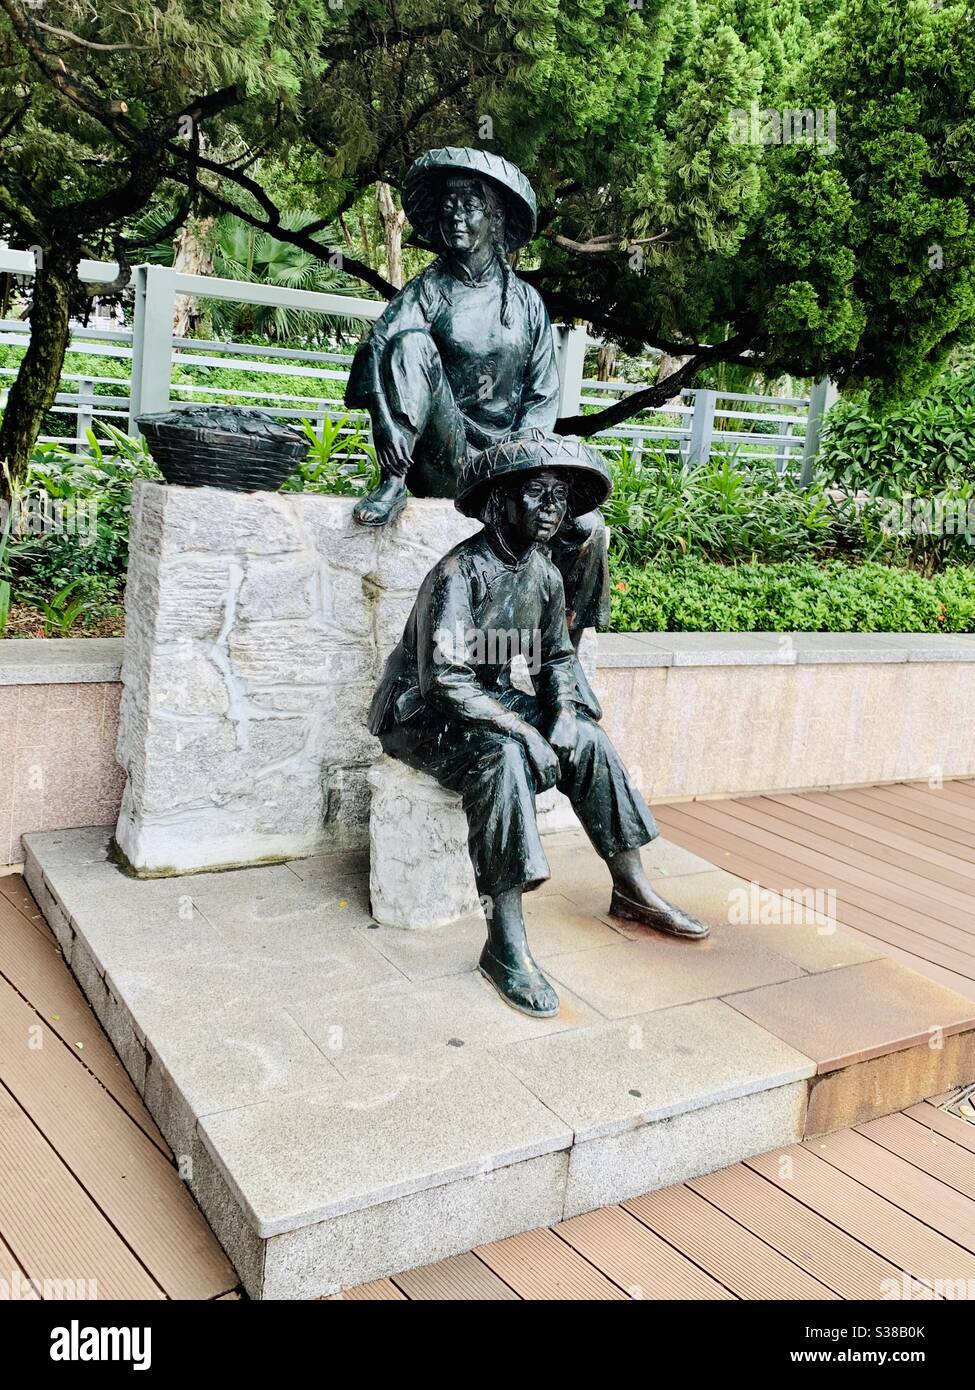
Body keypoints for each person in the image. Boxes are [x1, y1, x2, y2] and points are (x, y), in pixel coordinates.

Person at [368, 433, 709, 1020]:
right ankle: (505, 942)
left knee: (589, 742)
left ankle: (632, 887)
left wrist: (563, 716)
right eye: (537, 493)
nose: (553, 507)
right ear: (499, 501)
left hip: (487, 697)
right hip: (419, 712)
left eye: (560, 495)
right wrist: (526, 733)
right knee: (499, 758)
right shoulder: (459, 573)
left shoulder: (545, 575)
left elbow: (554, 659)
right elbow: (443, 680)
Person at [345, 146, 609, 646]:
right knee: (411, 342)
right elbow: (378, 351)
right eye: (448, 205)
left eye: (469, 206)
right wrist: (384, 417)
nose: (455, 216)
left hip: (506, 463)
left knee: (590, 528)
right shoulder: (428, 289)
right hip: (444, 452)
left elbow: (542, 397)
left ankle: (562, 651)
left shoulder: (527, 303)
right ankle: (394, 483)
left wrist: (520, 468)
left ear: (495, 218)